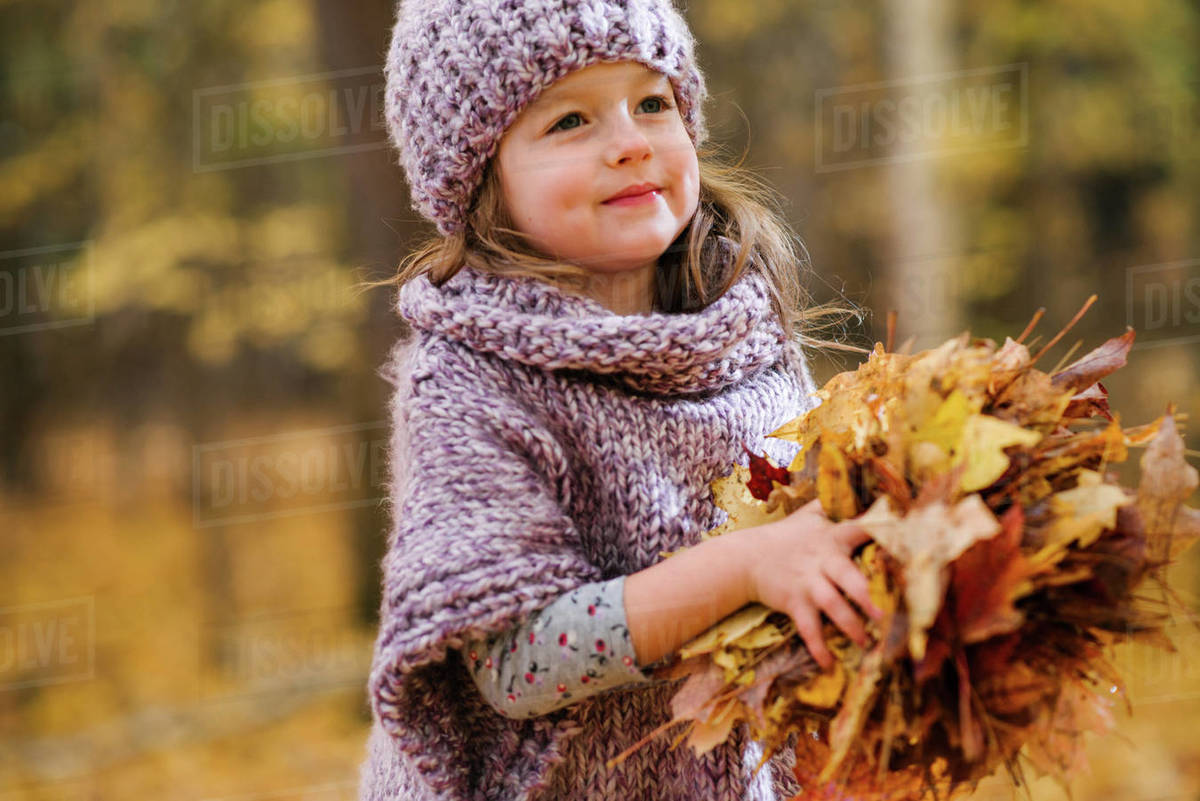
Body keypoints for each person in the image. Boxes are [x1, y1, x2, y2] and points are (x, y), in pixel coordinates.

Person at [357, 1, 880, 799]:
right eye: (570, 120)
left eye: (652, 103)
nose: (632, 143)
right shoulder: (470, 381)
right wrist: (741, 567)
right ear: (479, 180)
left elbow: (807, 550)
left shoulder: (743, 328)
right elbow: (518, 662)